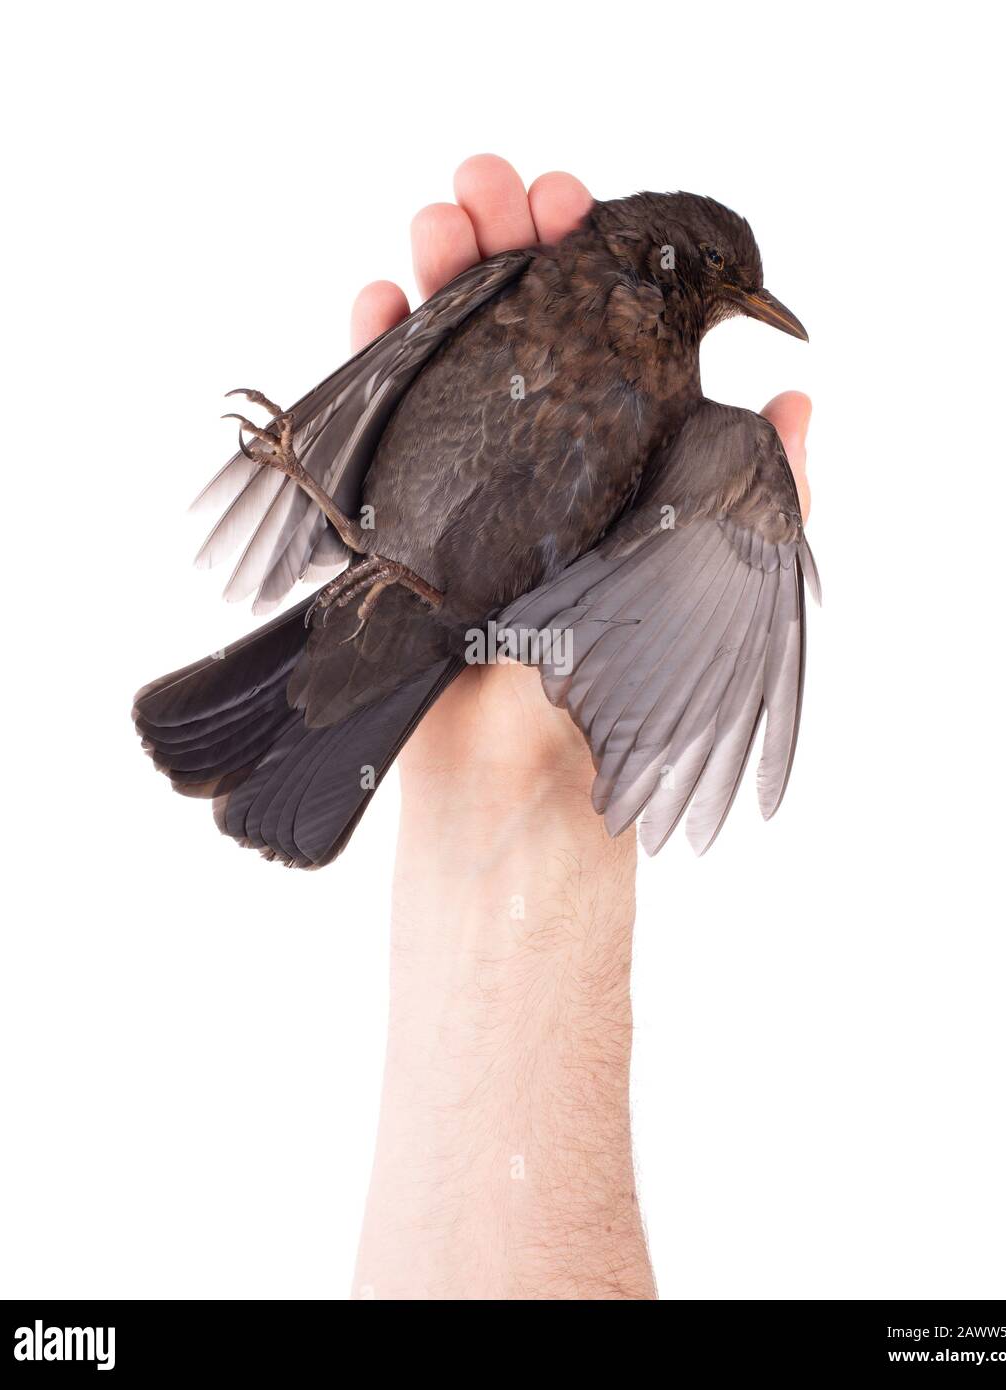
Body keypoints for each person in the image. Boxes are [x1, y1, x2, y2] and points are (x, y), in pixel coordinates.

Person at [350, 155, 812, 1300]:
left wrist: (533, 793)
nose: (746, 306)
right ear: (667, 268)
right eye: (725, 285)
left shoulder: (702, 434)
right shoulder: (540, 285)